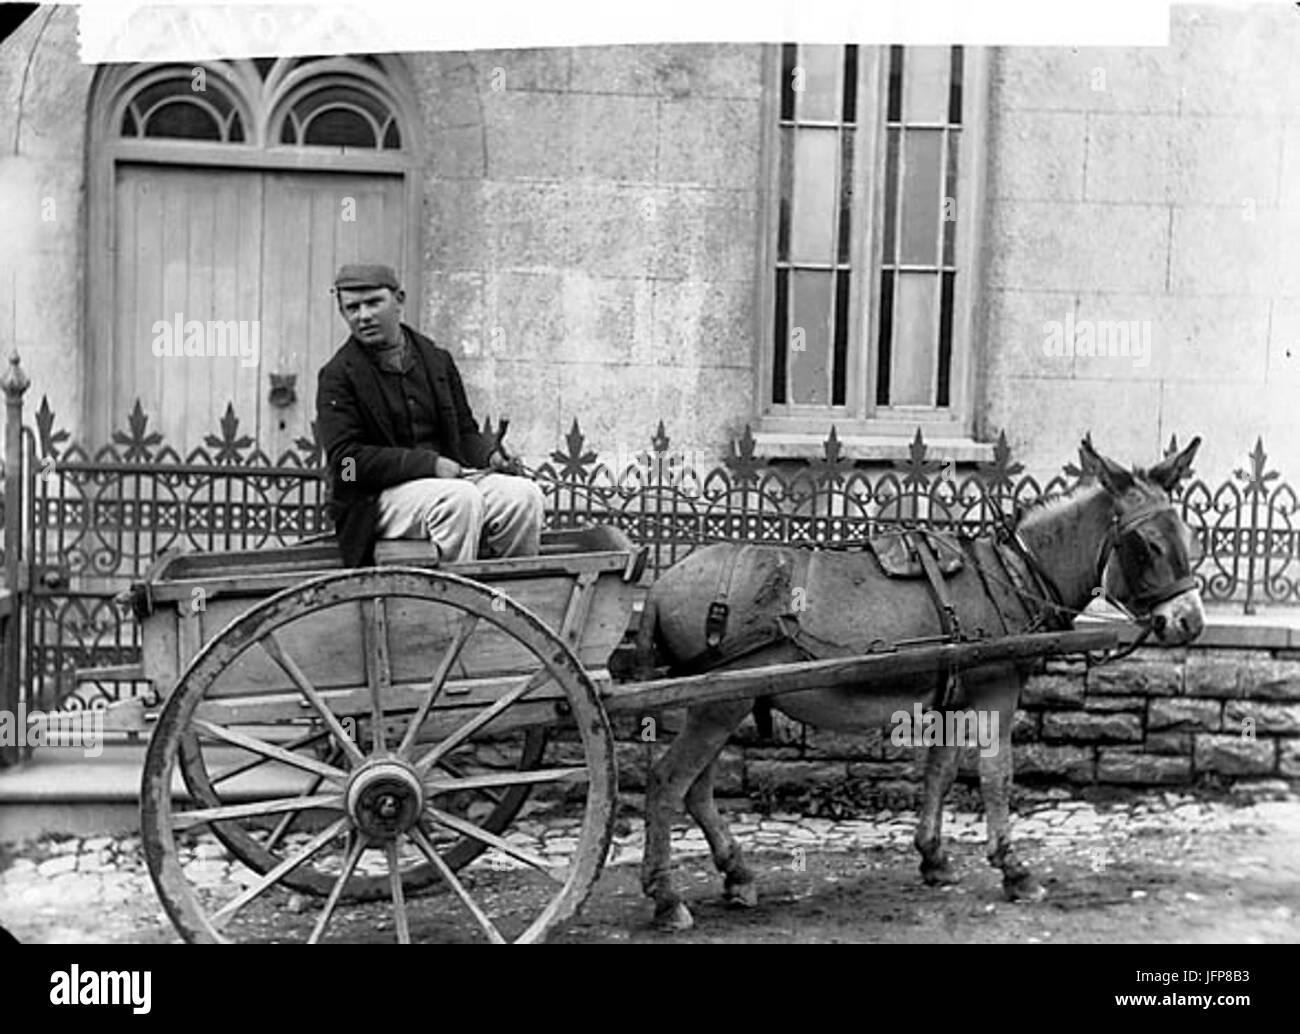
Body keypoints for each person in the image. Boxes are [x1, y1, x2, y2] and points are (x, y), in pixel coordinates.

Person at [316, 263, 544, 568]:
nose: (364, 316)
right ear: (343, 313)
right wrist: (430, 464)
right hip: (376, 499)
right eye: (353, 308)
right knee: (459, 500)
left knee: (523, 495)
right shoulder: (338, 376)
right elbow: (346, 463)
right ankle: (453, 606)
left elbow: (464, 432)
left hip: (449, 484)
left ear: (399, 299)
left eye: (373, 302)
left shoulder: (437, 361)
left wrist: (490, 456)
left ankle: (510, 598)